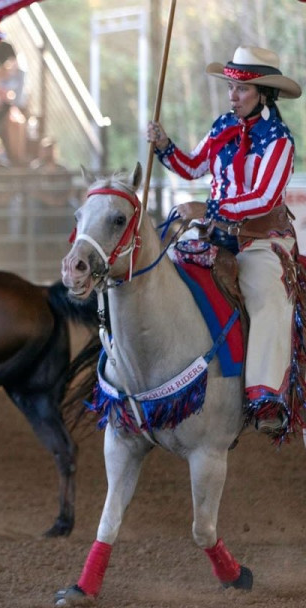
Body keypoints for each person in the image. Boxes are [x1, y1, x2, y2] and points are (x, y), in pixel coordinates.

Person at [147, 45, 301, 435]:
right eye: (230, 88)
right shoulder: (221, 126)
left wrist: (208, 209)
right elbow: (193, 166)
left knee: (267, 295)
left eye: (241, 89)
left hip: (261, 239)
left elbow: (264, 198)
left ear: (262, 94)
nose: (231, 96)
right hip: (216, 233)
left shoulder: (279, 140)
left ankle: (265, 396)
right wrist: (164, 144)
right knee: (164, 274)